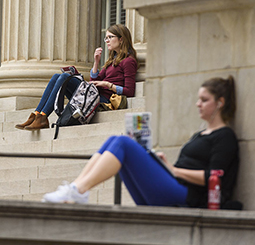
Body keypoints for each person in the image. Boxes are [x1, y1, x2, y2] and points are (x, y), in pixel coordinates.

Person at [42, 76, 239, 208]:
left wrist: (173, 170)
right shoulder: (200, 134)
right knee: (115, 140)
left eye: (204, 100)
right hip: (175, 187)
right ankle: (76, 189)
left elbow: (215, 177)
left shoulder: (225, 136)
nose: (198, 104)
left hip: (191, 198)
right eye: (199, 99)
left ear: (220, 103)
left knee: (123, 144)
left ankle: (78, 191)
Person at [15, 24, 137, 130]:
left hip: (103, 100)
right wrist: (96, 62)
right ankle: (37, 114)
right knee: (56, 76)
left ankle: (43, 117)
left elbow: (129, 91)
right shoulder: (112, 60)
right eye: (106, 38)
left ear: (121, 39)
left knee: (64, 77)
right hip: (93, 95)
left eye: (111, 37)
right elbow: (94, 81)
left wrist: (107, 85)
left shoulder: (128, 62)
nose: (107, 41)